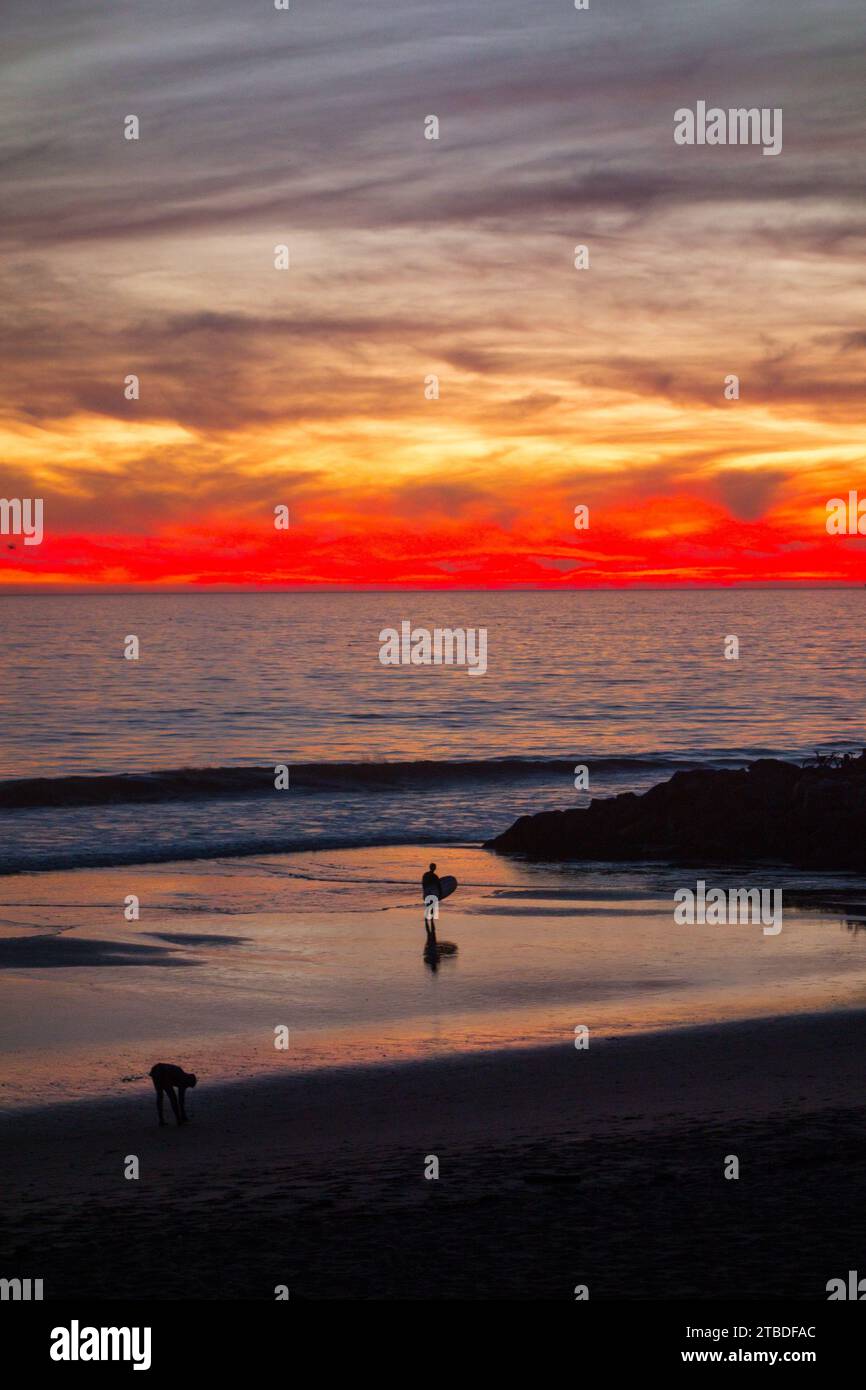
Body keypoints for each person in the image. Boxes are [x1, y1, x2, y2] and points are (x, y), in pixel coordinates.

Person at [149, 1062, 197, 1127]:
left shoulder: (182, 1076)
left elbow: (181, 1099)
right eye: (189, 1085)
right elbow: (181, 1099)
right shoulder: (182, 1078)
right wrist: (183, 1115)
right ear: (188, 1080)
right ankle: (178, 1120)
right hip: (163, 1072)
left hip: (155, 1070)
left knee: (160, 1096)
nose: (187, 1087)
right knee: (172, 1098)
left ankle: (161, 1120)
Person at [421, 862, 442, 937]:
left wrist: (424, 890)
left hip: (427, 890)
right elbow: (438, 885)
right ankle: (431, 919)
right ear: (434, 868)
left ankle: (427, 918)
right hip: (433, 890)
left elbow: (423, 883)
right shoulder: (435, 876)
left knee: (428, 905)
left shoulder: (425, 874)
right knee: (432, 905)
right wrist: (440, 894)